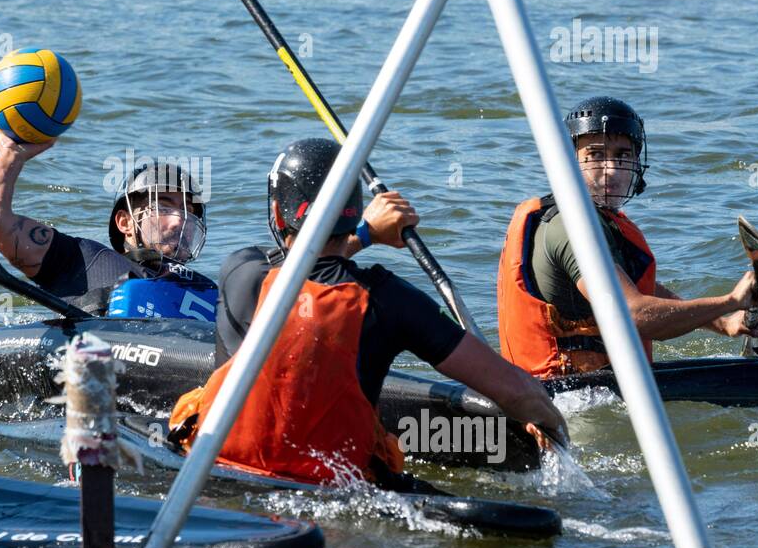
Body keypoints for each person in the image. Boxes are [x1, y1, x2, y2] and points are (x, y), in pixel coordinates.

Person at [170, 138, 566, 488]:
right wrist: (553, 429)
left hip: (220, 472)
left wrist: (365, 235)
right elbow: (517, 392)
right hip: (332, 490)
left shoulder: (240, 270)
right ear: (353, 210)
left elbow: (302, 273)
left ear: (277, 215)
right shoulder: (389, 300)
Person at [497, 96, 758, 378]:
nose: (612, 170)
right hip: (567, 401)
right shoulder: (571, 228)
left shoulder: (593, 217)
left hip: (585, 388)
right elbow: (633, 315)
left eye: (623, 155)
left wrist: (721, 323)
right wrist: (731, 300)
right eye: (595, 155)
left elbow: (635, 287)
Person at [0, 116, 217, 319]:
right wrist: (12, 154)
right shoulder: (85, 260)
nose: (179, 221)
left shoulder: (213, 292)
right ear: (125, 222)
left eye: (188, 212)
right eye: (163, 207)